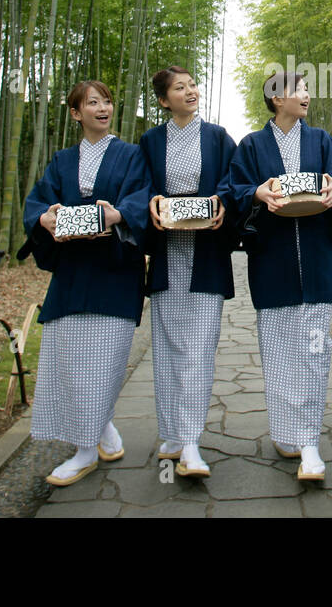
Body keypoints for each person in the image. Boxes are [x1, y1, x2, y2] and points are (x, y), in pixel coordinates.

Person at [219, 71, 332, 483]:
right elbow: (235, 191)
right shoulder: (251, 145)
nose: (306, 96)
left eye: (306, 89)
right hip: (272, 262)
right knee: (280, 352)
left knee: (315, 352)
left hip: (317, 259)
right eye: (298, 90)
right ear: (275, 98)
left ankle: (311, 443)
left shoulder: (319, 140)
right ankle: (287, 432)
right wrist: (257, 194)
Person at [21, 80, 152, 487]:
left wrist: (117, 216)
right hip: (73, 273)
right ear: (76, 113)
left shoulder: (132, 155)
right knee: (68, 359)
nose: (103, 108)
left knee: (107, 361)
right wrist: (44, 218)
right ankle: (98, 434)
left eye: (107, 101)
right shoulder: (62, 160)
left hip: (114, 270)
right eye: (92, 103)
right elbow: (39, 203)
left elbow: (141, 199)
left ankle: (84, 450)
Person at [138, 66, 237, 478]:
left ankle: (192, 442)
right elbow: (140, 186)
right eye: (180, 88)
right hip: (168, 257)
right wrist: (152, 205)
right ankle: (174, 433)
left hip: (205, 257)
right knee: (168, 349)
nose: (191, 91)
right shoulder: (150, 140)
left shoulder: (216, 137)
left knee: (198, 350)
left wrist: (221, 204)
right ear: (164, 100)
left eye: (193, 84)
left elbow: (236, 182)